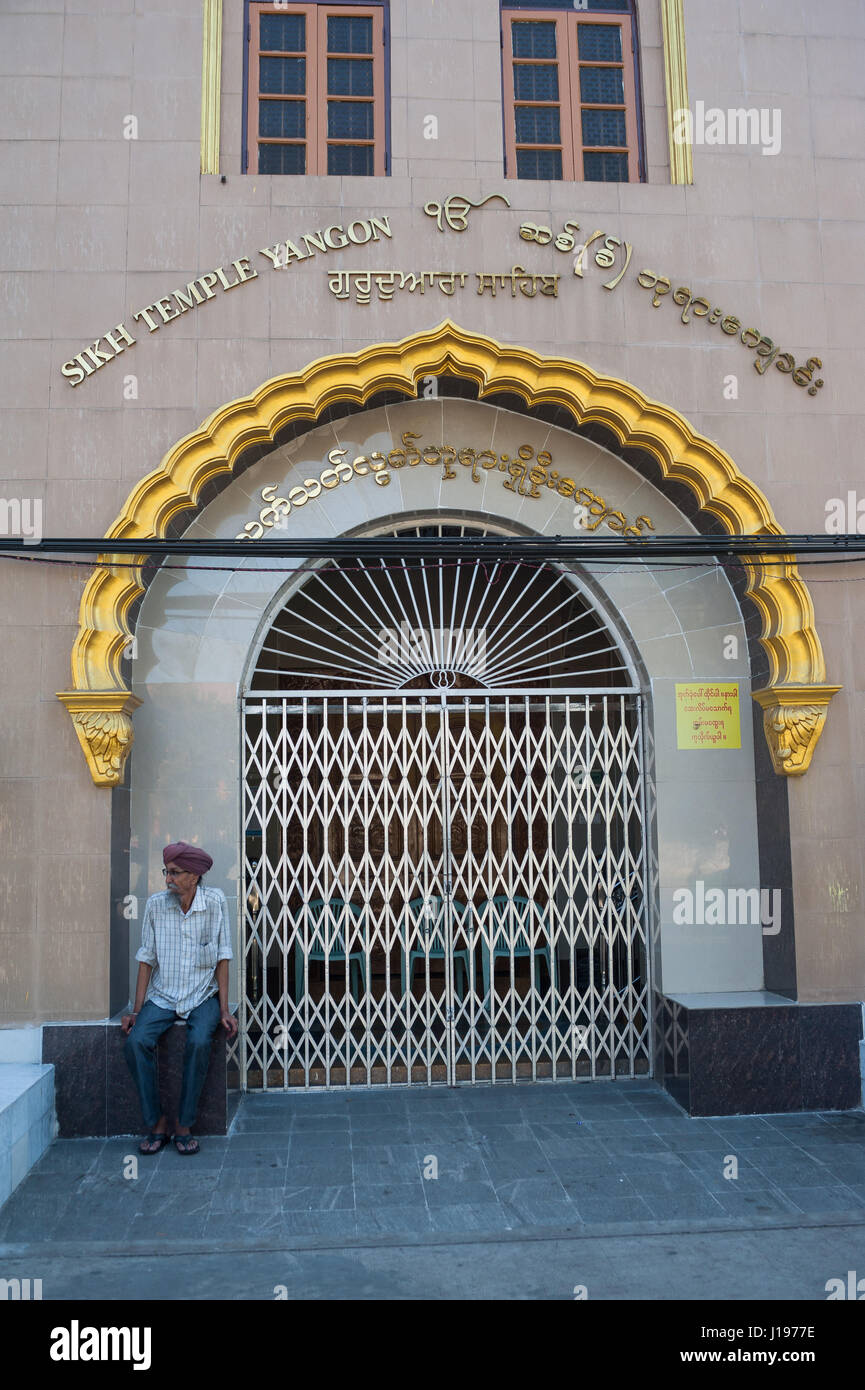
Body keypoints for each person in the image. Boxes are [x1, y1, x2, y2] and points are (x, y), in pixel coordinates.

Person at [122, 841, 238, 1156]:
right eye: (167, 872)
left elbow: (223, 958)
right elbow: (146, 960)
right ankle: (157, 1122)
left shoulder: (215, 903)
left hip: (203, 995)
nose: (168, 879)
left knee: (200, 1040)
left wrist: (225, 1009)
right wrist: (136, 1010)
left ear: (195, 876)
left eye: (175, 873)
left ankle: (184, 1124)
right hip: (163, 995)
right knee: (135, 1043)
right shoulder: (156, 906)